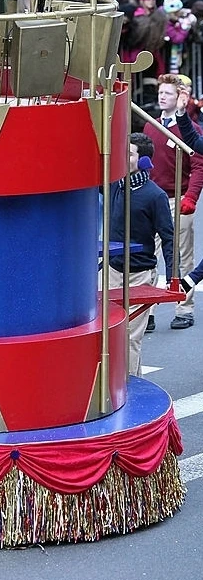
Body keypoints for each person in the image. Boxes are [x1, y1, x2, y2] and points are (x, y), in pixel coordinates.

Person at [108, 133, 174, 375]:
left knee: (130, 338)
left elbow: (168, 237)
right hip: (113, 271)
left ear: (144, 161)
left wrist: (173, 277)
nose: (124, 158)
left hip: (140, 275)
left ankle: (130, 389)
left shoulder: (155, 196)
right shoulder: (116, 185)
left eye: (130, 154)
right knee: (110, 334)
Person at [144, 73, 203, 329]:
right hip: (153, 201)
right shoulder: (149, 125)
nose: (162, 96)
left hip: (178, 199)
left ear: (179, 97)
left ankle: (184, 308)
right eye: (161, 92)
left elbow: (199, 164)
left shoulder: (191, 129)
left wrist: (190, 196)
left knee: (182, 255)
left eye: (167, 92)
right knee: (147, 255)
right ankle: (147, 311)